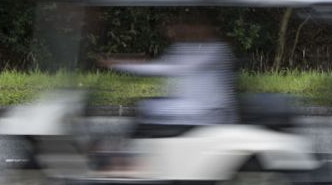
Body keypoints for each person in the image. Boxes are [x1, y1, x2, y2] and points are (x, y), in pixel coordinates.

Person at [101, 17, 237, 132]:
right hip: (190, 105)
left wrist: (120, 64)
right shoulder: (183, 48)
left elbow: (168, 68)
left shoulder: (217, 50)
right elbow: (163, 66)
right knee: (147, 105)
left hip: (210, 111)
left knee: (147, 108)